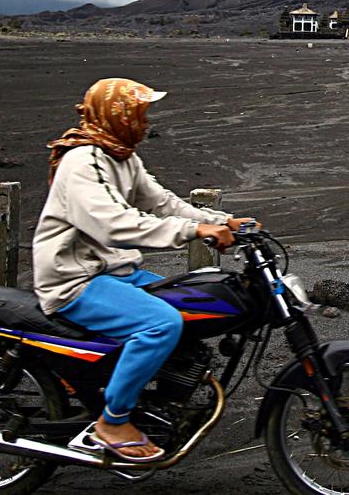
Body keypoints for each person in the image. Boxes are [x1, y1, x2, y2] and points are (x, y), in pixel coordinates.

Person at [32, 77, 255, 462]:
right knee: (161, 323)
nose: (145, 121)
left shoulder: (121, 155)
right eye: (139, 113)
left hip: (116, 271)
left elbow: (163, 202)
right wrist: (195, 231)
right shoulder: (82, 162)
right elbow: (114, 224)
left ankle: (145, 396)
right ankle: (112, 420)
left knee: (195, 304)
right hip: (74, 279)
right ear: (116, 115)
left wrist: (224, 220)